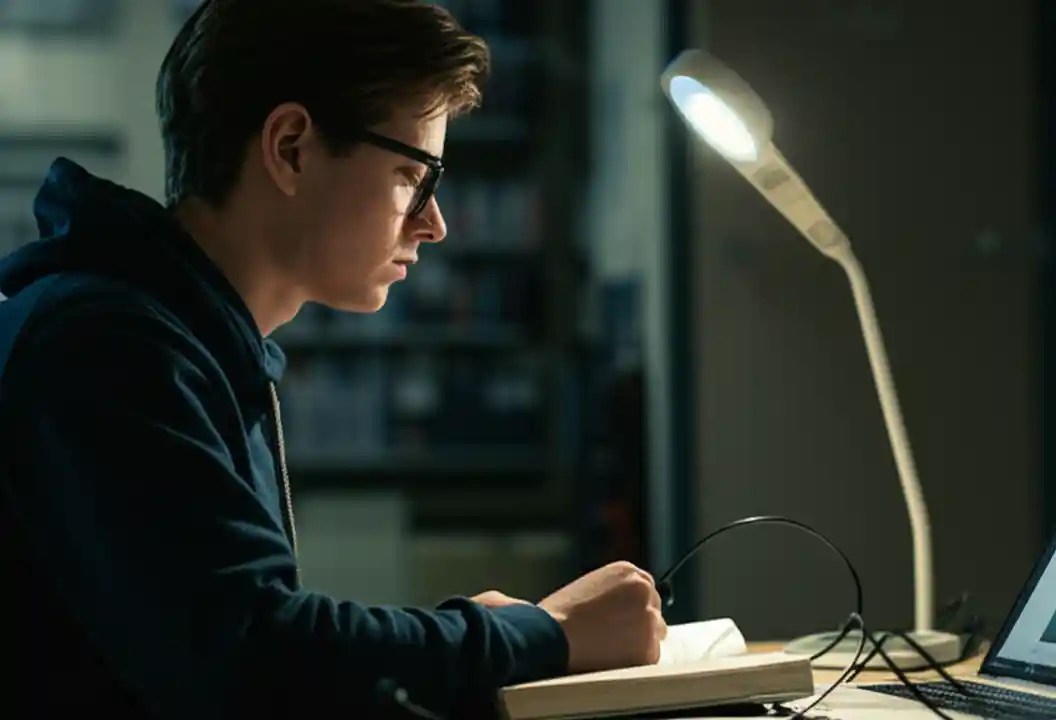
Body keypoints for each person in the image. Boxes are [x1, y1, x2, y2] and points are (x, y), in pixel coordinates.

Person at [0, 1, 666, 718]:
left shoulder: (176, 339)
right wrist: (544, 633)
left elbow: (245, 636)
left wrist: (488, 637)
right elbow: (257, 660)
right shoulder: (105, 346)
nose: (433, 223)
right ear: (290, 148)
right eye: (416, 176)